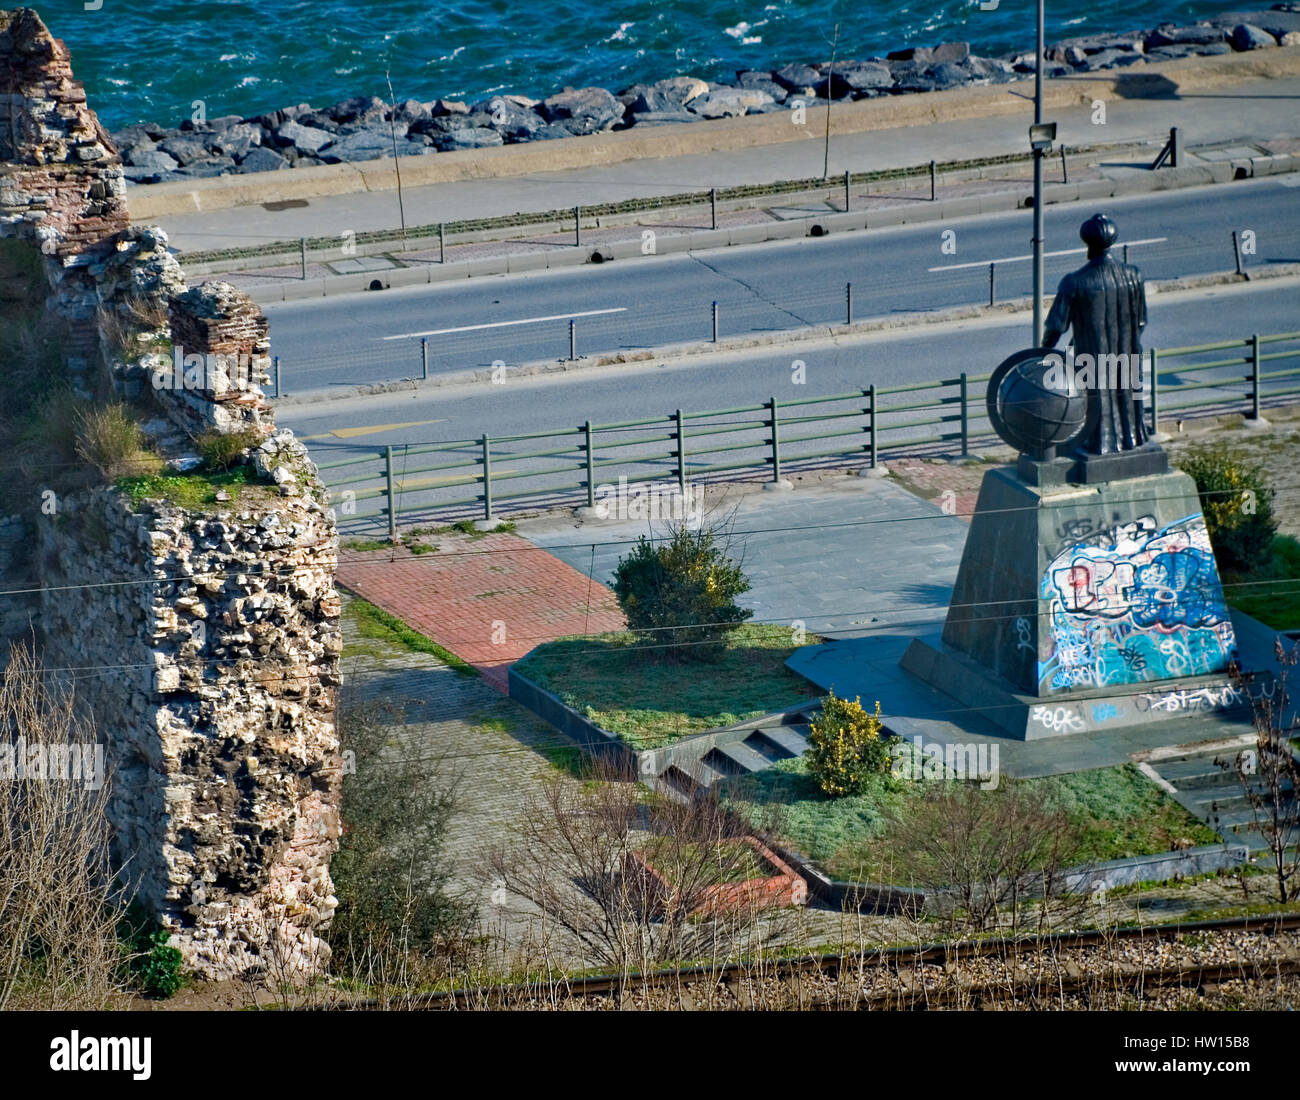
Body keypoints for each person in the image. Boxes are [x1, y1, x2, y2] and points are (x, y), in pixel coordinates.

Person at [1042, 213, 1149, 455]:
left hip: (1092, 356)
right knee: (1128, 395)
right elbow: (1141, 321)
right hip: (1127, 353)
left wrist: (1043, 352)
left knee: (1098, 398)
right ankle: (1132, 439)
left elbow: (1056, 327)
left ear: (1087, 243)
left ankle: (1102, 443)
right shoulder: (1134, 276)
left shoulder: (1074, 282)